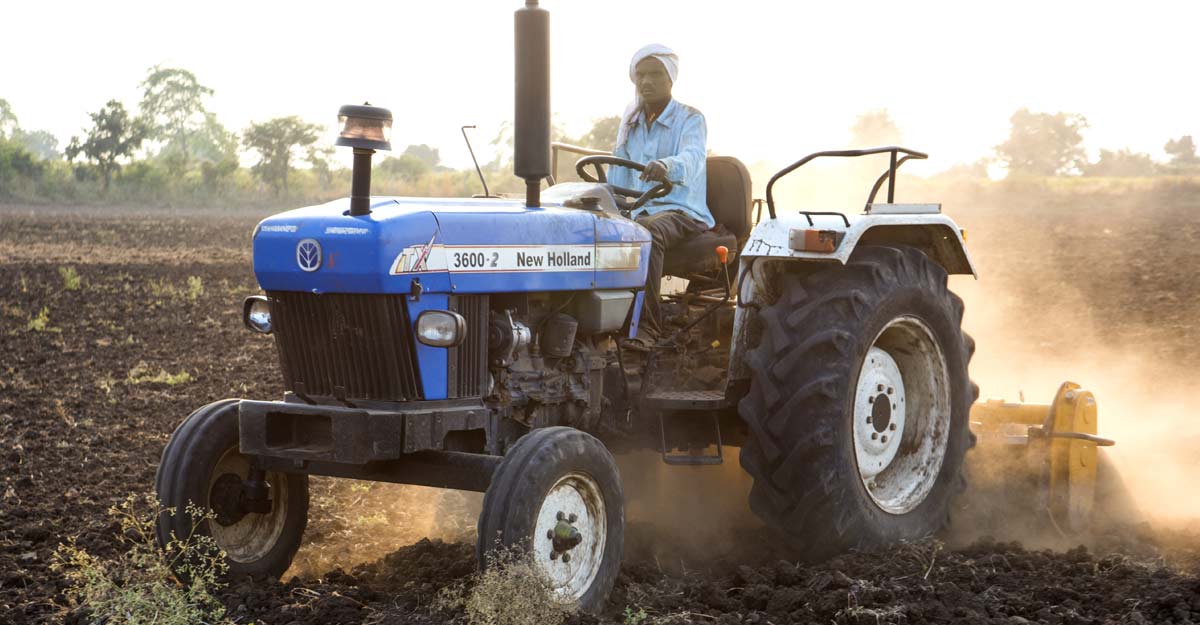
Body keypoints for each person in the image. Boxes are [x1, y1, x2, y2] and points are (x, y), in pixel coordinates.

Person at [609, 43, 711, 350]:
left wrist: (666, 166)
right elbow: (618, 170)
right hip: (639, 209)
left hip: (680, 210)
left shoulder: (690, 119)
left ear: (670, 79)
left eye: (655, 74)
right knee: (597, 227)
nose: (646, 81)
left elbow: (693, 157)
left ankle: (647, 328)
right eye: (641, 75)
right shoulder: (630, 124)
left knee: (647, 232)